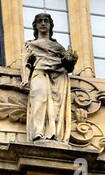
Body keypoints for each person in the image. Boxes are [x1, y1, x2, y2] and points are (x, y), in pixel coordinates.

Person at [22, 13, 77, 142]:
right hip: (39, 72)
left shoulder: (58, 47)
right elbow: (26, 62)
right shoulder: (30, 44)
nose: (43, 23)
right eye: (39, 21)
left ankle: (53, 134)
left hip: (58, 76)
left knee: (55, 107)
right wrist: (25, 78)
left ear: (50, 25)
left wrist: (70, 59)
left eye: (46, 21)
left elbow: (68, 66)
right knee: (38, 99)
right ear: (35, 26)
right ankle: (38, 132)